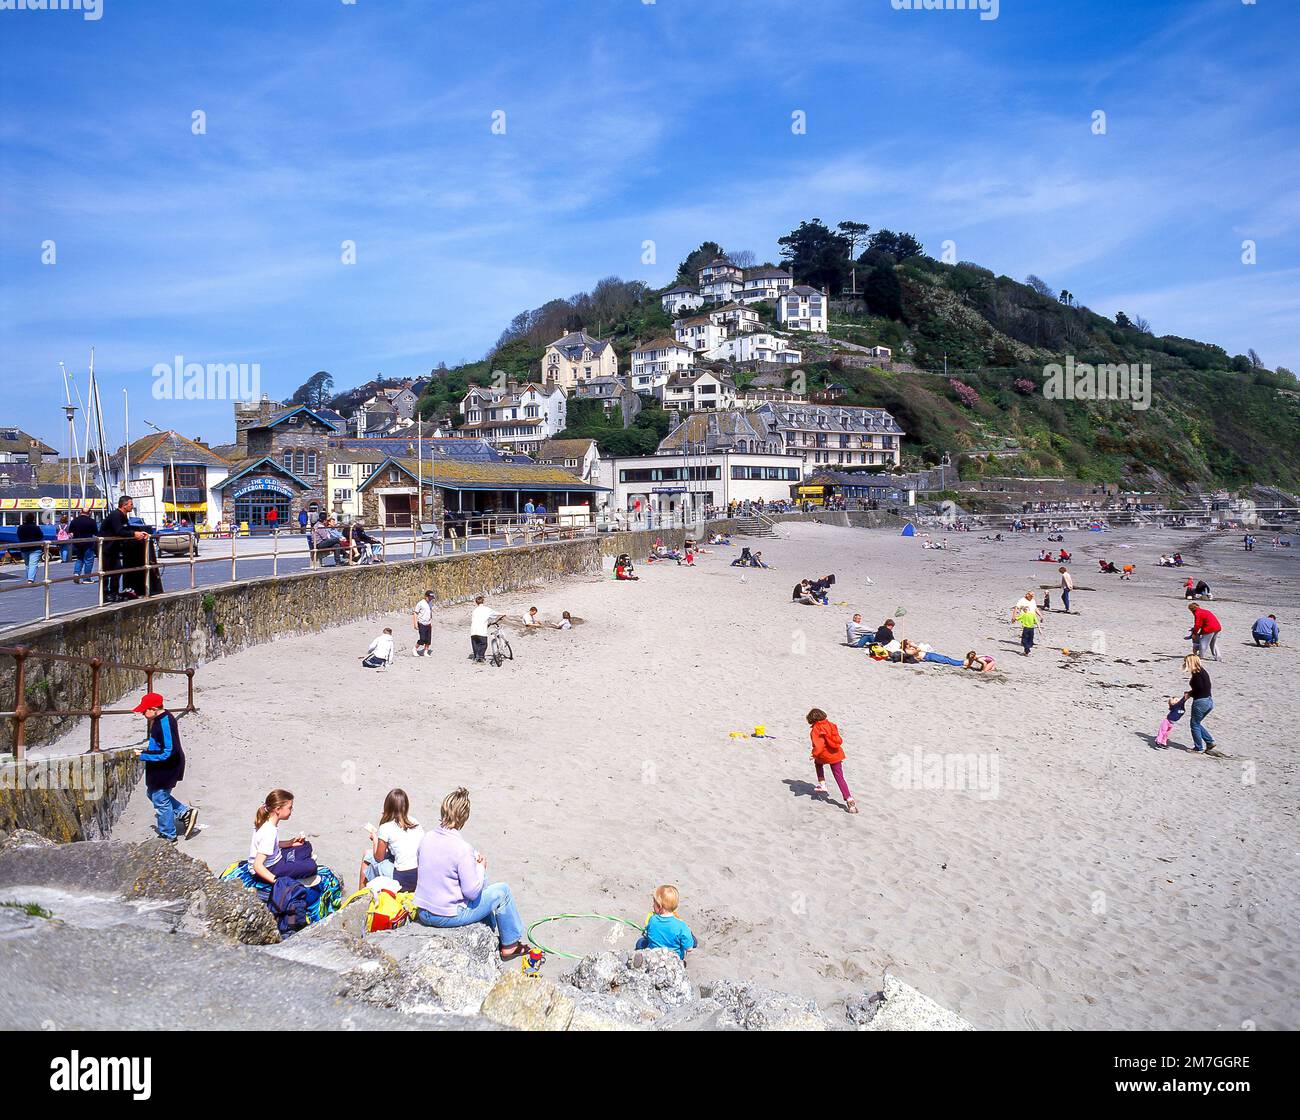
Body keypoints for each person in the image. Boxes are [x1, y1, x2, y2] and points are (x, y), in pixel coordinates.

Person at [412, 787, 530, 961]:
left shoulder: (427, 837)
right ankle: (510, 946)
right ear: (464, 817)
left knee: (482, 883)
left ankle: (489, 928)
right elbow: (472, 892)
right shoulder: (462, 848)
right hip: (445, 915)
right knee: (502, 891)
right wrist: (480, 867)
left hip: (423, 910)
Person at [132, 691, 195, 842]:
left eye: (143, 711)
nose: (142, 714)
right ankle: (184, 812)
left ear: (153, 709)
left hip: (168, 766)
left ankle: (168, 835)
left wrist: (143, 755)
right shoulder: (159, 720)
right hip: (160, 765)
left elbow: (168, 751)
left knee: (160, 799)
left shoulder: (165, 722)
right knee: (153, 794)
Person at [359, 788, 424, 892]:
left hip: (403, 878)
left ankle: (360, 896)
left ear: (387, 806)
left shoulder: (385, 827)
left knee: (367, 857)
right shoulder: (415, 822)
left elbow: (378, 858)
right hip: (420, 875)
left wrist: (375, 839)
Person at [250, 789, 316, 883]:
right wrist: (276, 881)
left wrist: (290, 843)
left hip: (275, 860)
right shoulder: (269, 831)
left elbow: (270, 845)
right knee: (311, 866)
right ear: (277, 810)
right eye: (290, 807)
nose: (291, 810)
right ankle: (298, 863)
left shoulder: (265, 821)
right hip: (269, 868)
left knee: (305, 845)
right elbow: (257, 865)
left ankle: (296, 863)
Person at [101, 495, 151, 601]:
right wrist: (134, 534)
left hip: (115, 547)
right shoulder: (116, 515)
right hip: (106, 547)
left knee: (117, 569)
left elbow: (126, 529)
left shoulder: (123, 516)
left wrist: (139, 532)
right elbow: (119, 531)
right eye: (131, 504)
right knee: (106, 572)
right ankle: (105, 594)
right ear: (124, 505)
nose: (132, 506)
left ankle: (114, 592)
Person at [807, 708, 857, 814]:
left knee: (817, 763)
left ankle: (822, 784)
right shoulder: (831, 725)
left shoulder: (816, 729)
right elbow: (837, 739)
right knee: (839, 777)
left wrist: (814, 754)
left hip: (825, 755)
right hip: (837, 754)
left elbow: (819, 746)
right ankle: (849, 798)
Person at [635, 884, 697, 961]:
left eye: (654, 903)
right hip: (673, 959)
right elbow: (689, 949)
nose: (652, 905)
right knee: (690, 938)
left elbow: (647, 934)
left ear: (659, 906)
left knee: (640, 942)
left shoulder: (652, 920)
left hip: (654, 956)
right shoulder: (681, 925)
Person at [1182, 654, 1217, 753]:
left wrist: (1190, 694)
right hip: (1208, 701)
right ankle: (1210, 742)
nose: (1185, 664)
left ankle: (1198, 748)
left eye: (1186, 662)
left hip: (1201, 702)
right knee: (1196, 723)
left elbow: (1199, 689)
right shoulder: (1202, 671)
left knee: (1194, 724)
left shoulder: (1197, 675)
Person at [68, 507, 100, 584]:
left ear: (80, 512)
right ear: (89, 513)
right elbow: (96, 533)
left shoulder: (74, 521)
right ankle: (86, 579)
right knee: (88, 560)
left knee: (79, 559)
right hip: (88, 543)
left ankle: (76, 573)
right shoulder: (92, 521)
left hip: (77, 543)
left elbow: (70, 532)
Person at [16, 513, 45, 584]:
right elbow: (41, 536)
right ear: (33, 519)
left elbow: (19, 536)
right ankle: (30, 579)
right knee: (33, 564)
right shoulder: (35, 527)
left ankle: (29, 578)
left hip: (24, 547)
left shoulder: (20, 527)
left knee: (27, 564)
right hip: (35, 548)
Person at [469, 594, 497, 663]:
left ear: (476, 602)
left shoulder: (474, 611)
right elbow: (495, 613)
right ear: (483, 601)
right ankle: (480, 657)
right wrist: (503, 614)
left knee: (475, 644)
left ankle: (476, 657)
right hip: (482, 631)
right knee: (483, 644)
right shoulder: (486, 609)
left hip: (473, 631)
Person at [413, 590, 434, 657]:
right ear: (426, 596)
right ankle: (415, 649)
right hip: (421, 623)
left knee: (428, 639)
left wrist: (431, 621)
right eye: (429, 598)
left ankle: (425, 651)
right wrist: (415, 624)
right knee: (422, 638)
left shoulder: (430, 603)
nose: (430, 599)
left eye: (431, 598)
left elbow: (430, 612)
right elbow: (415, 613)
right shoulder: (420, 603)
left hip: (428, 623)